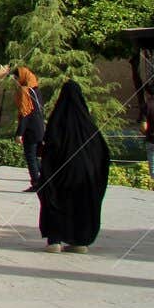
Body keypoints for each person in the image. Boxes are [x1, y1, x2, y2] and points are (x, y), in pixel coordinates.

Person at [37, 80, 110, 253]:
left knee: (56, 199)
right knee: (81, 203)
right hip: (84, 175)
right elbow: (102, 151)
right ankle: (79, 240)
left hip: (61, 173)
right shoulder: (88, 125)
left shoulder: (57, 121)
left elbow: (50, 146)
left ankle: (55, 239)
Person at [14, 66, 45, 192]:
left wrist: (19, 133)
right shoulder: (35, 90)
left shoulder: (24, 91)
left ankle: (37, 183)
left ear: (22, 77)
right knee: (35, 156)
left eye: (16, 77)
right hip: (39, 127)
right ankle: (46, 178)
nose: (15, 80)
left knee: (30, 156)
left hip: (30, 129)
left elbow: (25, 114)